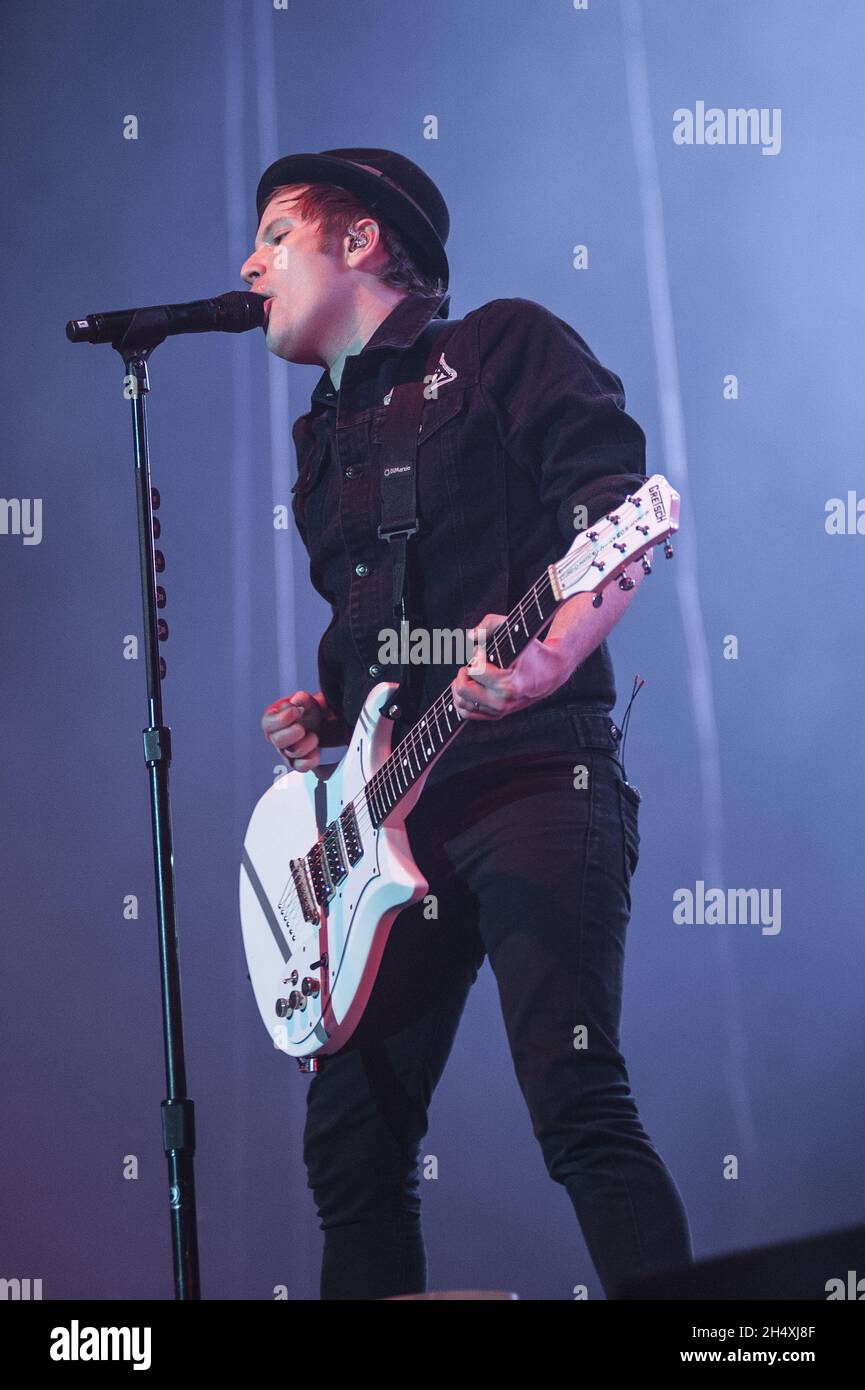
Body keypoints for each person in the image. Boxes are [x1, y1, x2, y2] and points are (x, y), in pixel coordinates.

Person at [240, 147, 693, 1299]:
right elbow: (381, 633)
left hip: (536, 778)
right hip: (392, 818)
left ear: (359, 242)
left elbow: (613, 515)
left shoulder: (502, 344)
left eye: (275, 233)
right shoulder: (320, 440)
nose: (249, 265)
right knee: (350, 1148)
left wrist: (544, 661)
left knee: (575, 1097)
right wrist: (331, 712)